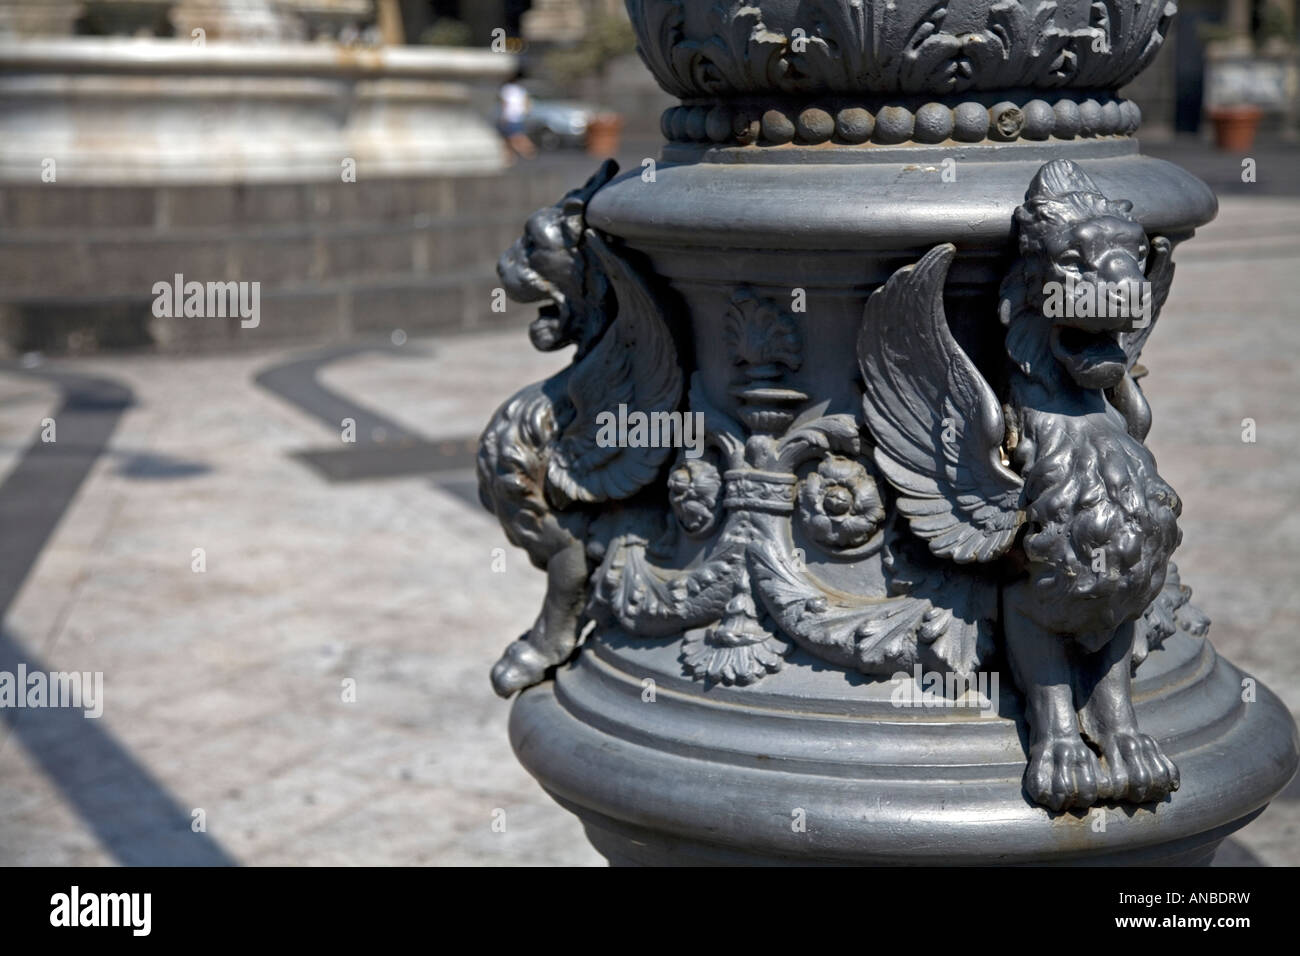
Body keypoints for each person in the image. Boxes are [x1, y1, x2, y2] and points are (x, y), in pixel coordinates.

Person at [498, 70, 536, 161]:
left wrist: (504, 116)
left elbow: (504, 104)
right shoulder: (520, 89)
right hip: (519, 116)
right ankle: (509, 157)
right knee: (507, 138)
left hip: (510, 116)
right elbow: (527, 101)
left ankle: (529, 152)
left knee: (515, 137)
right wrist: (526, 111)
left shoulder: (506, 89)